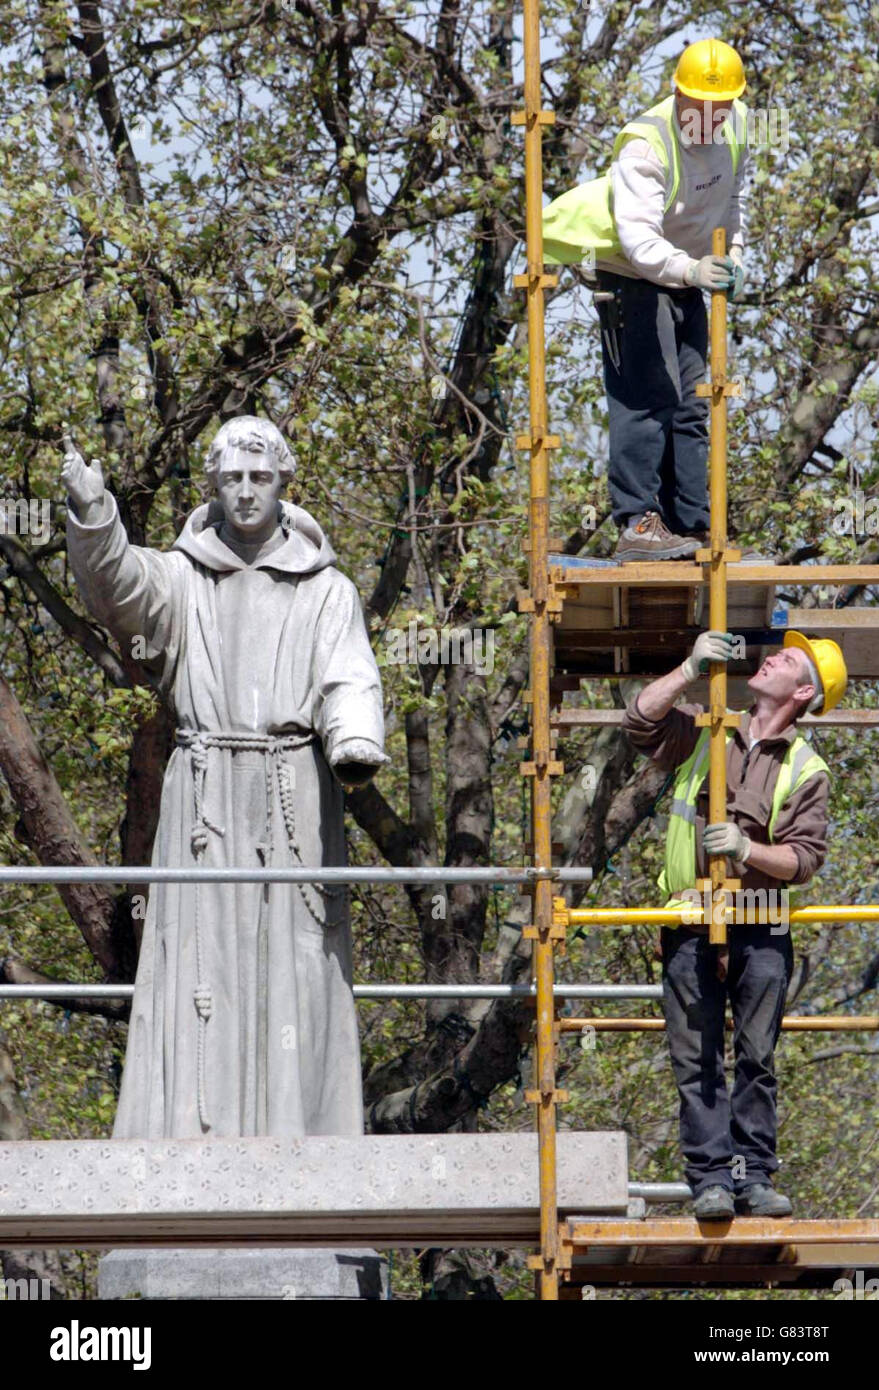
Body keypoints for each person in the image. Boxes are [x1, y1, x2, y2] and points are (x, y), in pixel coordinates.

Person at [62, 416, 387, 1139]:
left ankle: (294, 1131)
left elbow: (349, 675)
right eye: (233, 478)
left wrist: (354, 737)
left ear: (282, 483)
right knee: (197, 959)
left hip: (292, 791)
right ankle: (186, 1131)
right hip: (204, 794)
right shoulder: (181, 576)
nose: (245, 493)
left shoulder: (326, 588)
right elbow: (118, 590)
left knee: (294, 964)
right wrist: (94, 512)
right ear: (213, 483)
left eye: (260, 478)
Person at [622, 629, 847, 1218]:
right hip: (692, 922)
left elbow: (803, 859)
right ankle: (712, 1183)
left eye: (787, 658)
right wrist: (689, 666)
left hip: (761, 927)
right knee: (696, 1061)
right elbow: (640, 723)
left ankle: (752, 1178)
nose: (770, 656)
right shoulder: (707, 729)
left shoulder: (805, 766)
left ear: (803, 692)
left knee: (755, 1059)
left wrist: (747, 852)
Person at [544, 38, 749, 560]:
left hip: (685, 275)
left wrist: (735, 258)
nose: (710, 119)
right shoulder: (645, 144)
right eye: (700, 109)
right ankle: (639, 524)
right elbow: (638, 242)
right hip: (630, 275)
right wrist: (693, 268)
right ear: (679, 97)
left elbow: (733, 204)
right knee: (646, 397)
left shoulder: (741, 125)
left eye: (719, 110)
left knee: (692, 403)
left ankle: (692, 524)